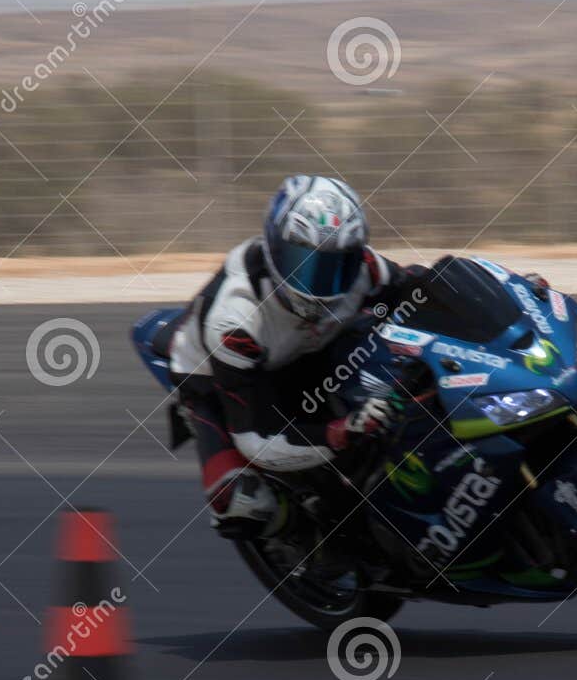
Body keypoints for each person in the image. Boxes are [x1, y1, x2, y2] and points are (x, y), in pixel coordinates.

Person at [163, 174, 415, 537]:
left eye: (337, 265)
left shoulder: (366, 269)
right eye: (305, 264)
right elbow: (257, 441)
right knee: (243, 505)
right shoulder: (235, 322)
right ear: (274, 250)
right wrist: (340, 432)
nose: (322, 284)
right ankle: (309, 542)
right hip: (220, 374)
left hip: (309, 347)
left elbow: (421, 288)